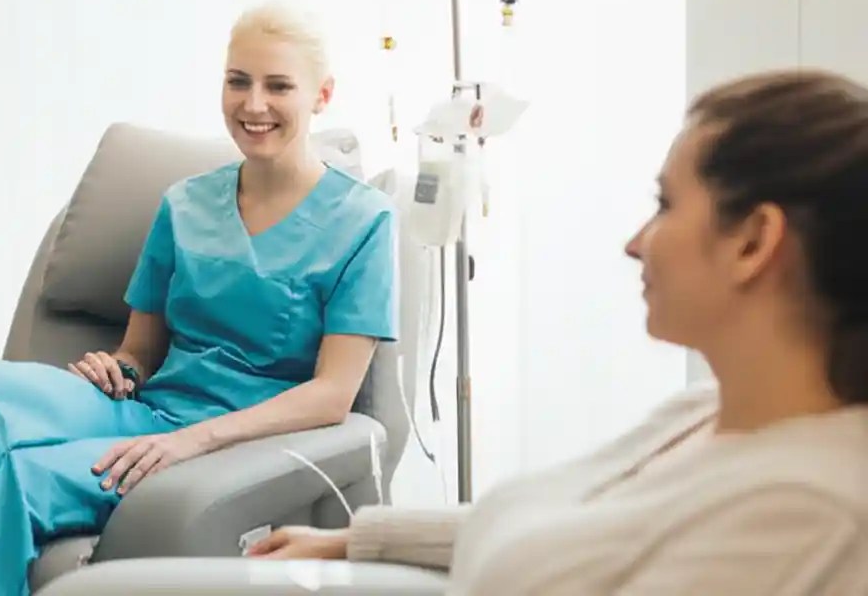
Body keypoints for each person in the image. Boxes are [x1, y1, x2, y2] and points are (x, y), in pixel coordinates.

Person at [0, 2, 400, 595]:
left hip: (234, 443)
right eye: (237, 81)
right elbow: (140, 350)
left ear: (321, 96)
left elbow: (332, 395)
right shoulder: (186, 204)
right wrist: (118, 367)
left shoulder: (362, 221)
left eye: (278, 87)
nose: (253, 105)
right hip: (144, 409)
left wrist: (187, 442)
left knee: (21, 476)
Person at [249, 69, 868, 593]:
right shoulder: (702, 414)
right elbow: (570, 527)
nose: (635, 244)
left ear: (754, 241)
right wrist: (355, 538)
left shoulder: (809, 516)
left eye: (667, 205)